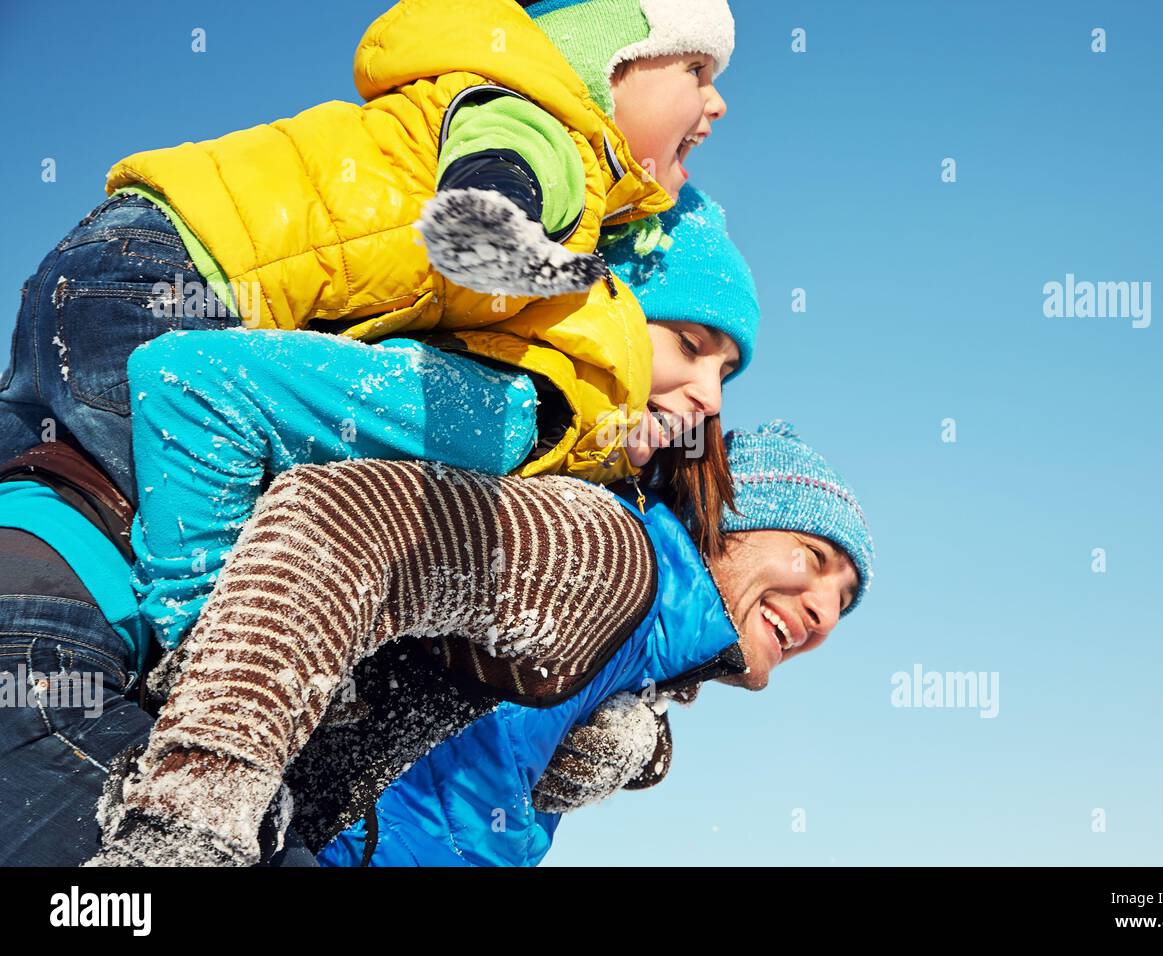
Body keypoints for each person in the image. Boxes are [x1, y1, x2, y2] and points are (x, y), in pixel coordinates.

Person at [0, 187, 759, 866]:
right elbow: (308, 499)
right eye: (689, 346)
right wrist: (199, 782)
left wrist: (636, 732)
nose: (707, 398)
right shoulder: (496, 414)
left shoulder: (550, 474)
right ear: (598, 310)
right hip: (70, 623)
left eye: (726, 374)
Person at [0, 0, 733, 507]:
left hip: (116, 258)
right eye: (696, 72)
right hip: (179, 280)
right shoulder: (541, 128)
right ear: (603, 67)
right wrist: (550, 266)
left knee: (40, 486)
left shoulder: (488, 112)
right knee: (185, 511)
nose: (717, 101)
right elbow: (474, 228)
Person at [84, 421, 872, 866]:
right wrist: (195, 815)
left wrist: (623, 744)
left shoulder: (648, 651)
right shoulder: (609, 558)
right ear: (726, 518)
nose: (826, 614)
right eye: (814, 559)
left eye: (843, 601)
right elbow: (344, 519)